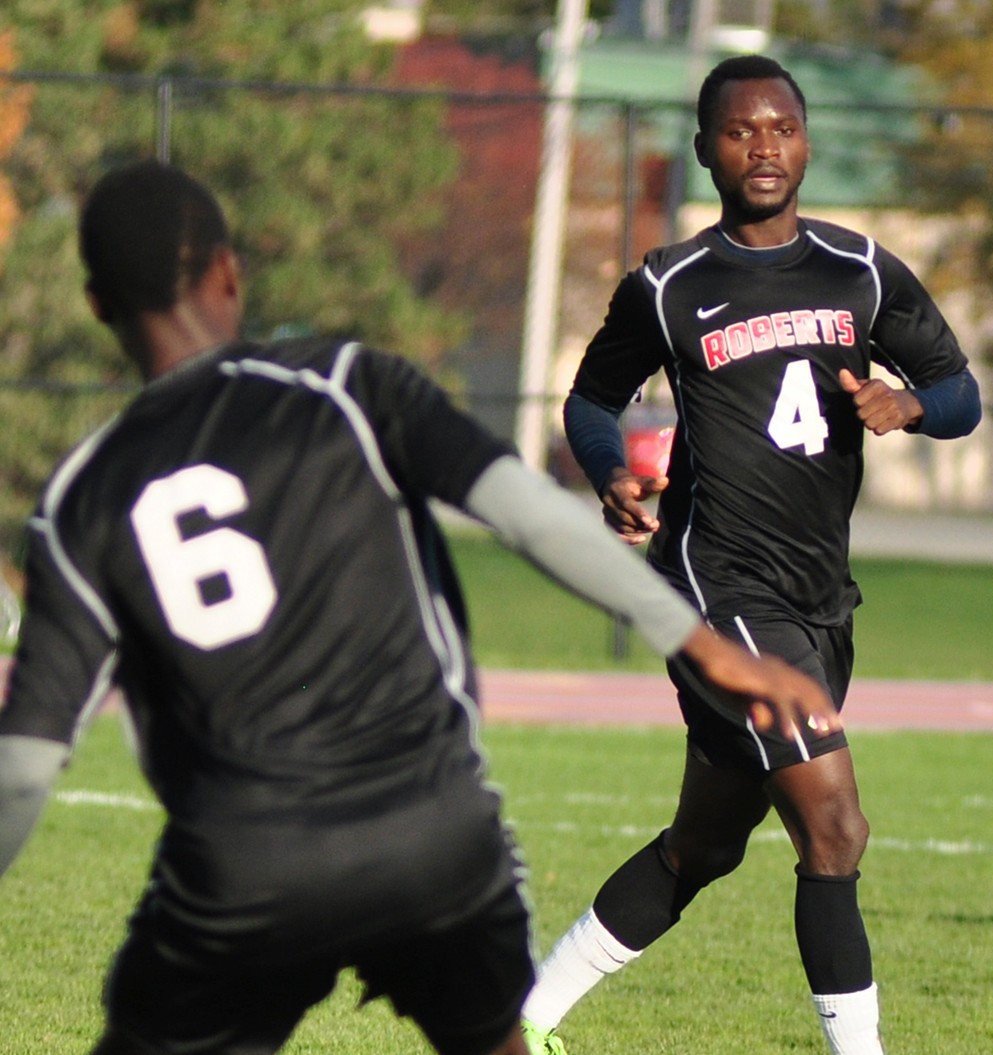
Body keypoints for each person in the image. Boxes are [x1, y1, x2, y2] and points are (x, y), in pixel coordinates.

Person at [0, 159, 839, 1055]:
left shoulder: (83, 498)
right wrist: (703, 643)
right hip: (428, 833)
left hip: (243, 866)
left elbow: (22, 767)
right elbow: (524, 513)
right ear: (228, 272)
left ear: (95, 306)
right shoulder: (348, 385)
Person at [521, 54, 981, 1055]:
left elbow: (961, 391)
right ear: (705, 150)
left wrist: (910, 402)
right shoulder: (670, 282)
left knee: (705, 843)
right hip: (714, 582)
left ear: (806, 141)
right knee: (835, 827)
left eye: (781, 127)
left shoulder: (861, 270)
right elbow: (592, 399)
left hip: (819, 593)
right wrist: (608, 471)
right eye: (739, 131)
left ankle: (521, 1020)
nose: (762, 147)